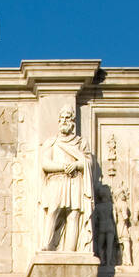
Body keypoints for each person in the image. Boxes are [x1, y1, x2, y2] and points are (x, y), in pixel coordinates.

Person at [39, 108, 93, 252]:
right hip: (56, 180)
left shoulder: (80, 143)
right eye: (61, 118)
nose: (64, 120)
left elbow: (88, 162)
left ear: (72, 122)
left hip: (75, 180)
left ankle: (71, 250)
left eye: (67, 118)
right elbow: (45, 164)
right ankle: (47, 245)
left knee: (73, 214)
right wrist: (63, 167)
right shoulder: (52, 142)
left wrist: (75, 164)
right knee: (53, 211)